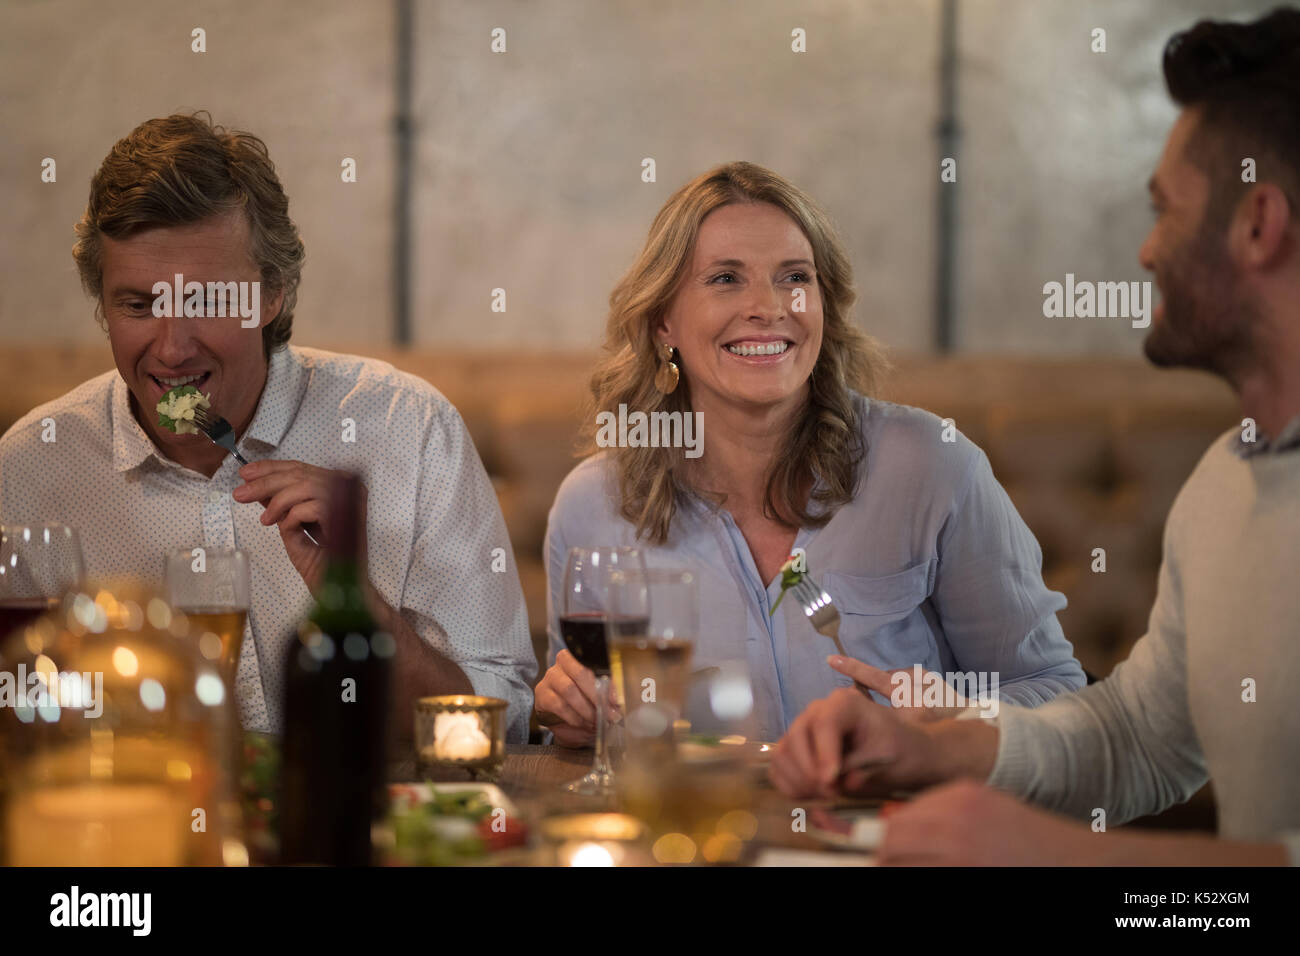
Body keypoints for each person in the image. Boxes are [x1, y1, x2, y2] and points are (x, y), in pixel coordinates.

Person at [768, 9, 1300, 866]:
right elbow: (1138, 740)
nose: (1145, 251)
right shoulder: (1230, 480)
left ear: (1258, 224)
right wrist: (939, 747)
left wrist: (1065, 858)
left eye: (1166, 212)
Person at [0, 113, 536, 742]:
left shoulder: (409, 430)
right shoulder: (31, 467)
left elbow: (501, 726)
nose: (171, 349)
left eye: (207, 302)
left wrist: (359, 609)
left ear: (272, 293)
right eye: (139, 305)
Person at [536, 160, 1086, 747]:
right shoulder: (594, 504)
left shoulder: (931, 466)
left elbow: (1055, 689)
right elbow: (583, 731)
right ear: (663, 320)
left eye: (794, 277)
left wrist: (962, 724)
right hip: (693, 831)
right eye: (725, 278)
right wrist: (567, 719)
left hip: (896, 827)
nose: (769, 307)